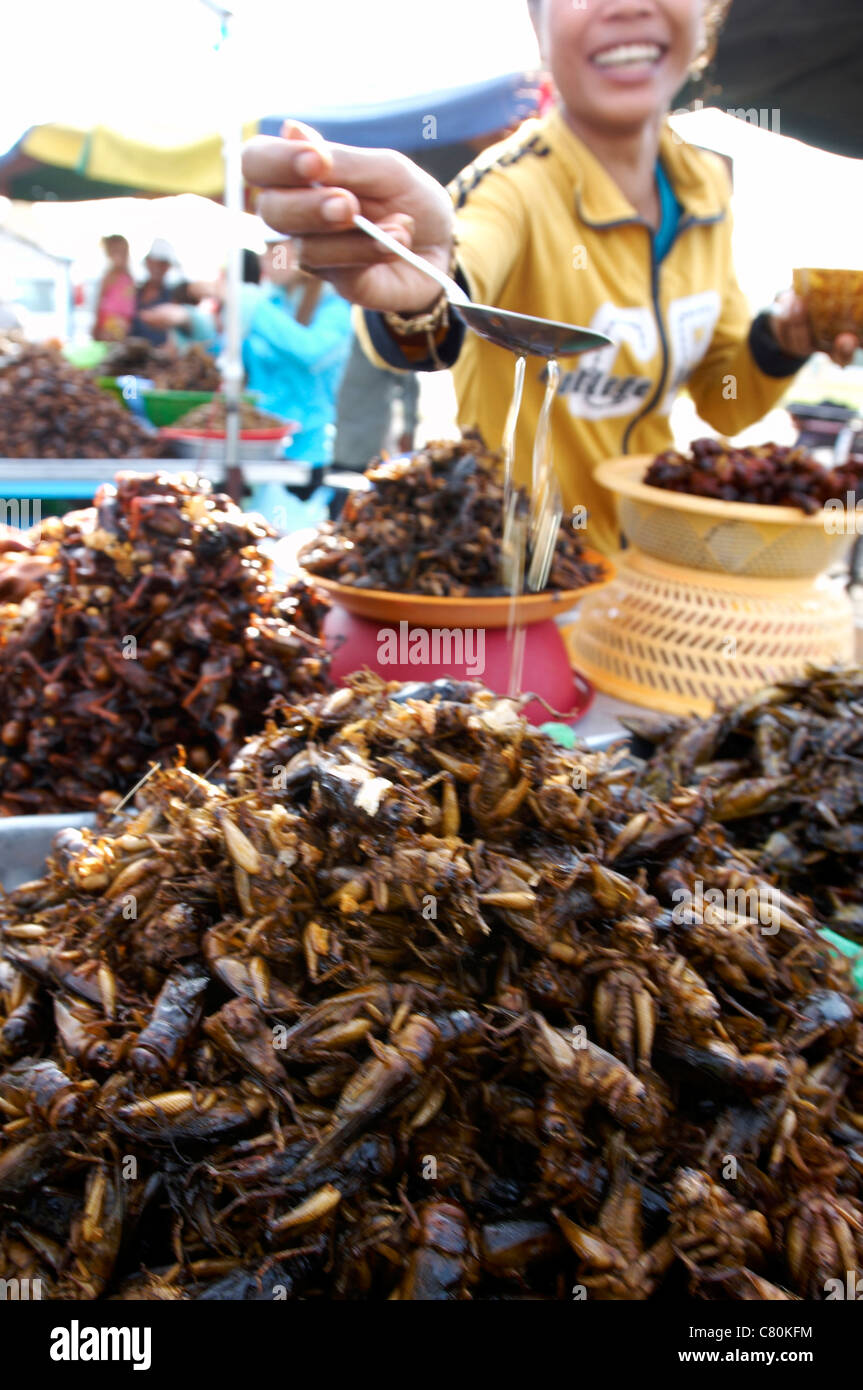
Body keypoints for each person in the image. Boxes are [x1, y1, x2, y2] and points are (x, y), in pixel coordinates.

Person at [242, 0, 860, 556]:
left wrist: (784, 339)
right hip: (522, 581)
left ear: (708, 15)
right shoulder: (512, 185)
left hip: (652, 573)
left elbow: (724, 398)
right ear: (537, 27)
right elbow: (452, 283)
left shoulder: (707, 192)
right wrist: (425, 284)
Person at [244, 236, 352, 464]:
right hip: (262, 442)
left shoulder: (334, 307)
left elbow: (310, 353)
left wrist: (253, 308)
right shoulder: (274, 303)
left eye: (275, 250)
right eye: (265, 250)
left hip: (307, 451)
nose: (266, 258)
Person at [333, 333, 419, 467]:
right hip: (327, 447)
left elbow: (409, 386)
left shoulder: (377, 331)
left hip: (369, 448)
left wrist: (408, 430)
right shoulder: (329, 322)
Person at [132, 239, 179, 346]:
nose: (158, 268)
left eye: (163, 264)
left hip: (158, 356)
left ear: (168, 267)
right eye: (155, 262)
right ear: (148, 262)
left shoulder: (172, 296)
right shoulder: (134, 292)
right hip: (129, 353)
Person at [92, 235, 135, 342]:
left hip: (125, 324)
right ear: (109, 255)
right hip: (107, 323)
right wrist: (97, 326)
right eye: (116, 253)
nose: (120, 257)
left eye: (123, 253)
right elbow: (99, 303)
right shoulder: (108, 277)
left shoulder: (129, 278)